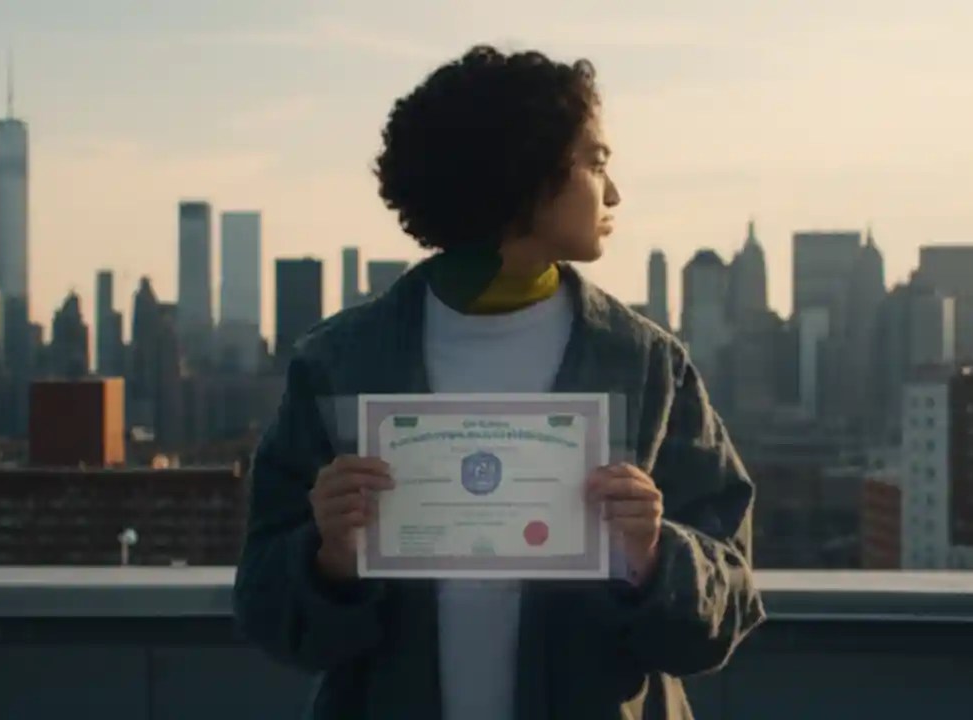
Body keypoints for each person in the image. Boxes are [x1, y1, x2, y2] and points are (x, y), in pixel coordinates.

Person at [234, 45, 765, 719]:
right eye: (596, 162)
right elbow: (267, 610)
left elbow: (732, 601)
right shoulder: (340, 364)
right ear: (531, 174)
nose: (615, 192)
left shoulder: (647, 364)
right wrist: (328, 558)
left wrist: (655, 554)